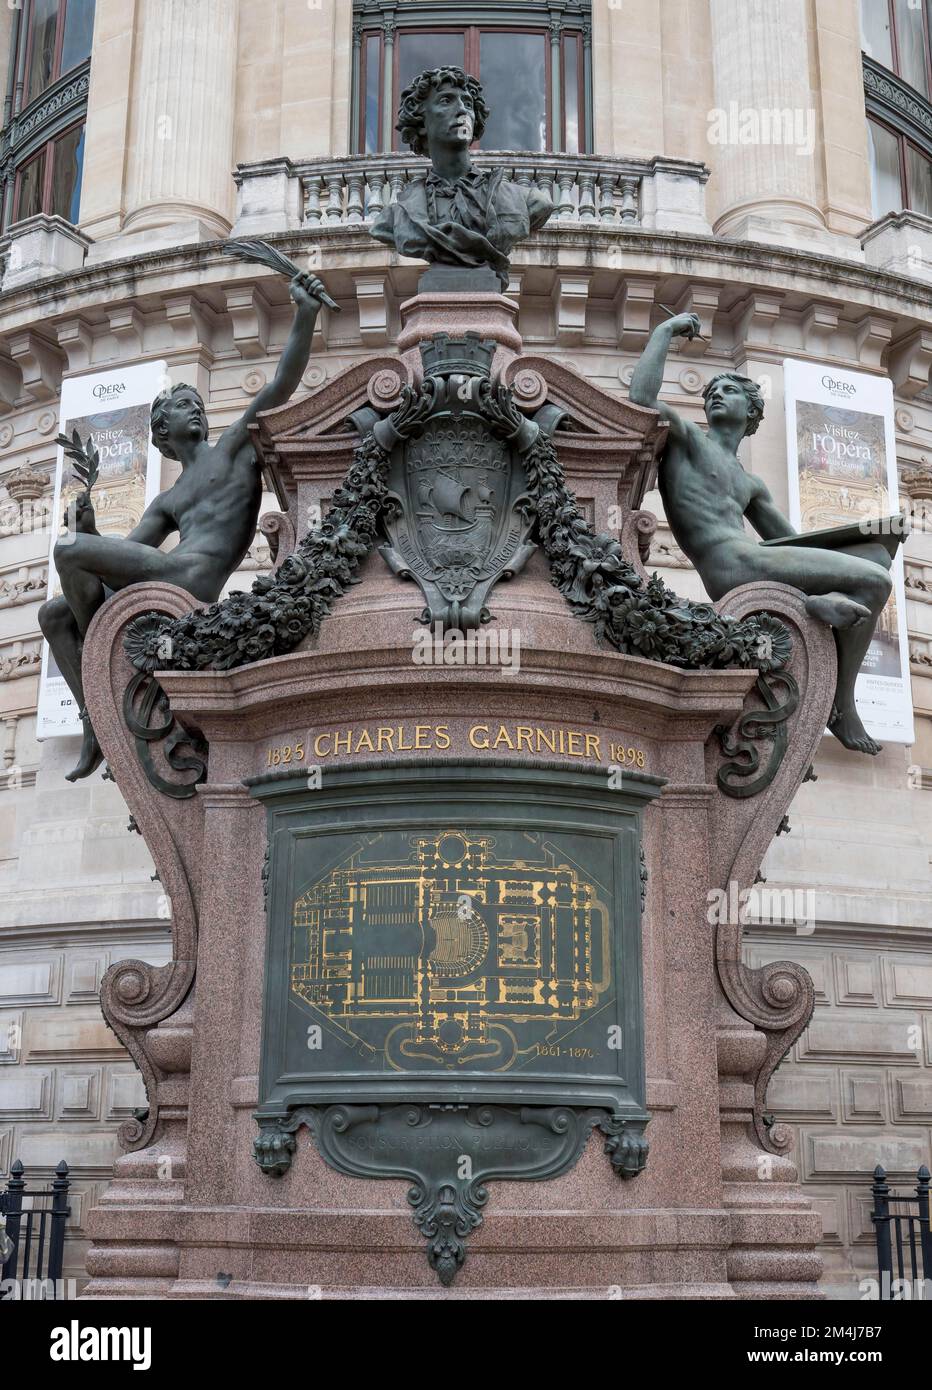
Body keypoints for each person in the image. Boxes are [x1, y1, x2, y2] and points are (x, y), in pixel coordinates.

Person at [40, 269, 329, 781]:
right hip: (167, 571)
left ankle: (103, 672)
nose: (192, 407)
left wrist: (304, 312)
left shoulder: (236, 447)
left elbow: (282, 382)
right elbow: (115, 568)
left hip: (193, 579)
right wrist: (89, 528)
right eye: (179, 406)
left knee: (69, 551)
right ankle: (95, 715)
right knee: (55, 613)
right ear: (161, 433)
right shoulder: (168, 500)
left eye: (195, 403)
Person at [629, 312, 894, 755]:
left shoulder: (751, 484)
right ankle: (840, 702)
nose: (716, 395)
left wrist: (873, 535)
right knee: (876, 580)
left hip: (755, 560)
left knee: (877, 561)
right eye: (711, 391)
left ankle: (811, 609)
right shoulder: (689, 441)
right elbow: (640, 399)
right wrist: (663, 331)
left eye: (729, 390)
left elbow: (795, 546)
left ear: (751, 411)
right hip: (731, 564)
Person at [369, 65, 551, 289]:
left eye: (467, 103)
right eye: (446, 100)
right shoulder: (397, 217)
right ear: (421, 121)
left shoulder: (524, 200)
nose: (462, 110)